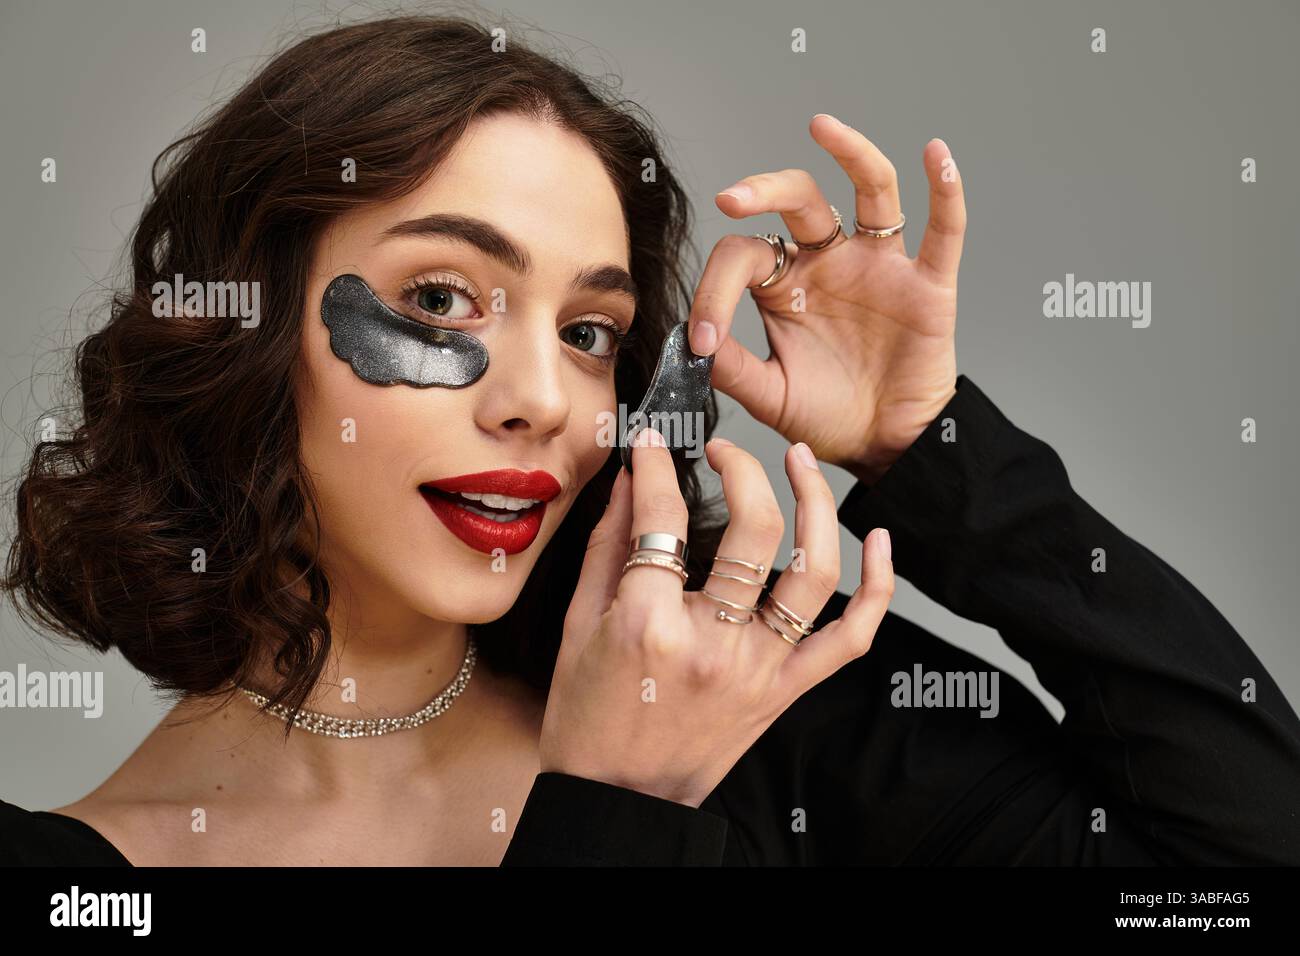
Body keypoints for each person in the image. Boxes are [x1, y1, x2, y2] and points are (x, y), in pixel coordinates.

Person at [2, 14, 1297, 867]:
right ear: (245, 332)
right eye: (441, 299)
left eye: (588, 330)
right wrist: (617, 812)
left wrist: (936, 450)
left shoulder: (743, 713)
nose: (546, 402)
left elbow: (1240, 870)